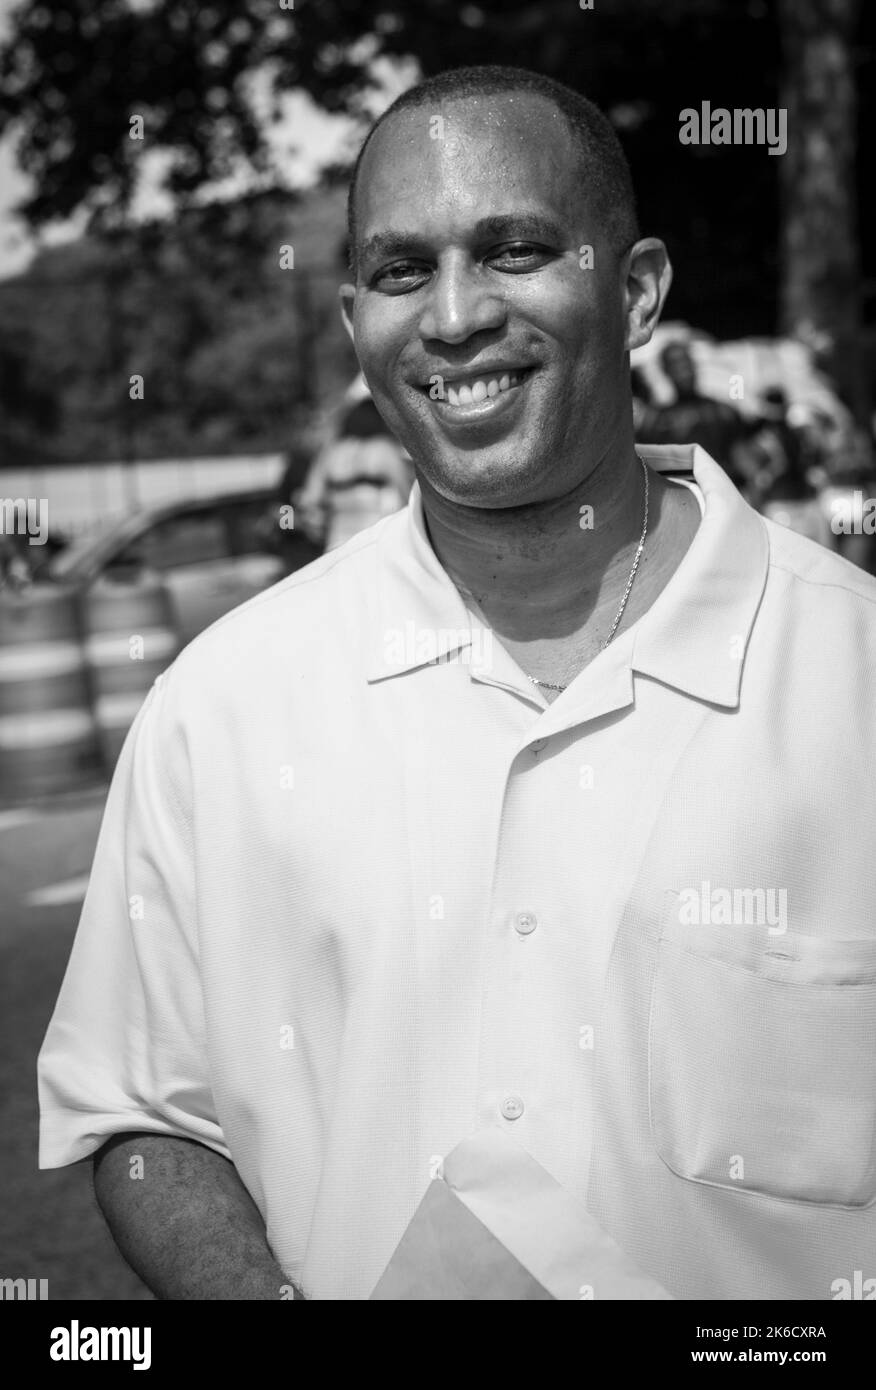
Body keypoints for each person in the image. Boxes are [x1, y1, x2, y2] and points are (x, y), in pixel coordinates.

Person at [38, 65, 876, 1302]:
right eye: (400, 271)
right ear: (351, 322)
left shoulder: (849, 679)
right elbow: (145, 1115)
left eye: (515, 249)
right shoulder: (221, 709)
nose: (454, 316)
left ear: (636, 292)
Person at [294, 397, 414, 550]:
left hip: (336, 544)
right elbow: (407, 495)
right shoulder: (384, 450)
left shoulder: (332, 452)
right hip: (375, 543)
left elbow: (310, 498)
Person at [646, 339, 756, 485]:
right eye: (675, 364)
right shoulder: (657, 421)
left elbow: (743, 460)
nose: (684, 370)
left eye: (686, 361)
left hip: (723, 493)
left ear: (694, 365)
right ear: (665, 370)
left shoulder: (722, 412)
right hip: (679, 498)